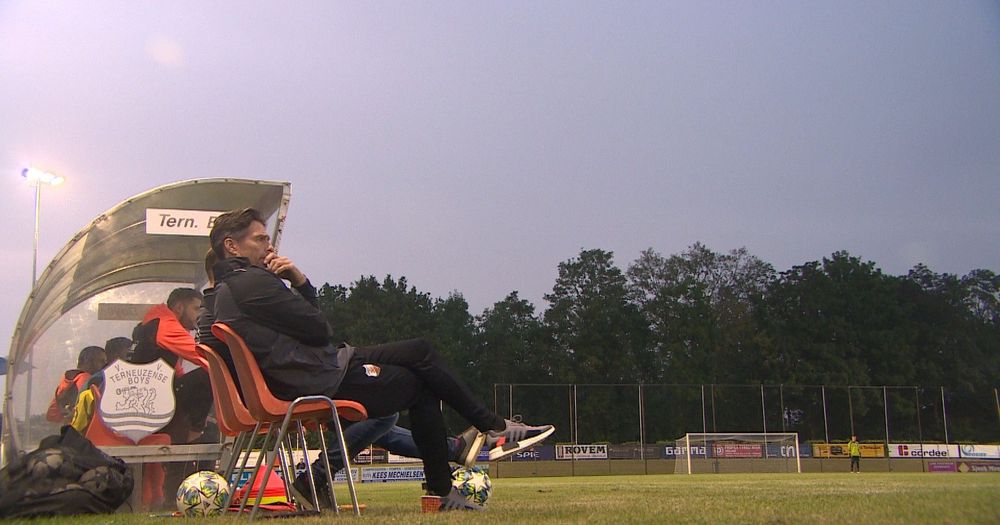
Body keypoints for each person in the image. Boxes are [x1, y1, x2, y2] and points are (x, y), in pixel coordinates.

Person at [208, 208, 555, 511]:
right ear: (231, 246)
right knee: (420, 380)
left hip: (318, 367)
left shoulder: (231, 290)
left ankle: (483, 434)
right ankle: (472, 451)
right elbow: (318, 328)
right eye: (259, 240)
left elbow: (311, 331)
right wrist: (298, 280)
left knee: (420, 354)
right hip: (320, 376)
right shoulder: (253, 283)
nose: (270, 247)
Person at [70, 337, 133, 435]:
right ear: (115, 356)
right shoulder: (97, 382)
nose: (132, 359)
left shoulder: (134, 379)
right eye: (128, 355)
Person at [46, 346, 106, 424]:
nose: (105, 365)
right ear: (88, 362)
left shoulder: (69, 380)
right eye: (101, 361)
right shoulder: (86, 379)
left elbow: (51, 415)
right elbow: (89, 409)